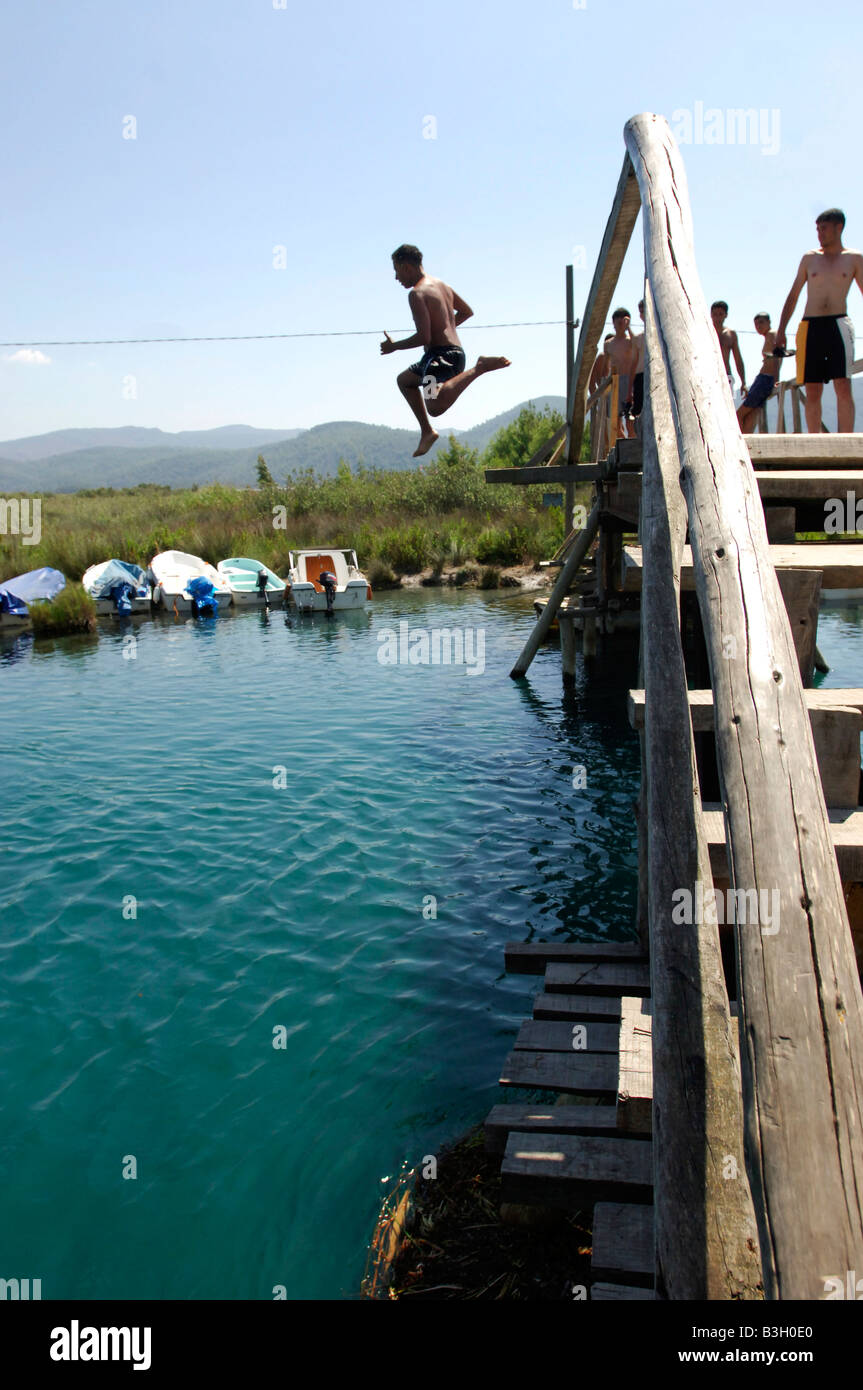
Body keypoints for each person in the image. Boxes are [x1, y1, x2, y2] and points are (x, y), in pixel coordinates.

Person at [381, 244, 510, 456]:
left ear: (406, 267)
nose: (396, 278)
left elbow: (425, 337)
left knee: (433, 404)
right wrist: (446, 327)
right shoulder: (442, 285)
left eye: (396, 270)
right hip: (439, 356)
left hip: (442, 356)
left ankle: (479, 367)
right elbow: (467, 311)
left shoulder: (417, 294)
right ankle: (427, 432)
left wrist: (394, 347)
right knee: (405, 380)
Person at [775, 209, 863, 432]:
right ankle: (814, 444)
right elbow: (793, 295)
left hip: (839, 325)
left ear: (838, 227)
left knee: (843, 385)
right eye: (817, 229)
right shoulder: (809, 258)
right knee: (812, 389)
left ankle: (846, 445)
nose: (819, 234)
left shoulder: (854, 258)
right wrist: (781, 330)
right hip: (810, 325)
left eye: (824, 228)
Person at [737, 313, 782, 433]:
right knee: (751, 415)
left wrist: (776, 379)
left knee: (739, 415)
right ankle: (748, 443)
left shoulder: (773, 334)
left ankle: (742, 442)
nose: (758, 326)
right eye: (756, 324)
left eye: (761, 322)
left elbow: (778, 358)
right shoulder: (768, 336)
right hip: (762, 379)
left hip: (766, 380)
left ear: (769, 322)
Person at [606, 307, 639, 440]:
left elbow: (637, 345)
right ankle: (618, 446)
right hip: (614, 381)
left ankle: (633, 443)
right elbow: (605, 366)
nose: (620, 325)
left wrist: (628, 327)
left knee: (630, 419)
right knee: (615, 420)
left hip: (629, 380)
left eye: (622, 322)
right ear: (613, 323)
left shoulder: (630, 341)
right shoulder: (608, 344)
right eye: (617, 322)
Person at [711, 301, 746, 398]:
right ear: (710, 315)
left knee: (728, 405)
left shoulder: (731, 334)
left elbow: (738, 359)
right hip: (709, 374)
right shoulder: (705, 332)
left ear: (726, 315)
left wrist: (743, 381)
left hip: (727, 375)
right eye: (714, 314)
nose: (717, 317)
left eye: (720, 314)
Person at [627, 300, 645, 421]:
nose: (643, 314)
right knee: (637, 411)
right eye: (641, 312)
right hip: (641, 376)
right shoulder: (640, 338)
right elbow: (634, 341)